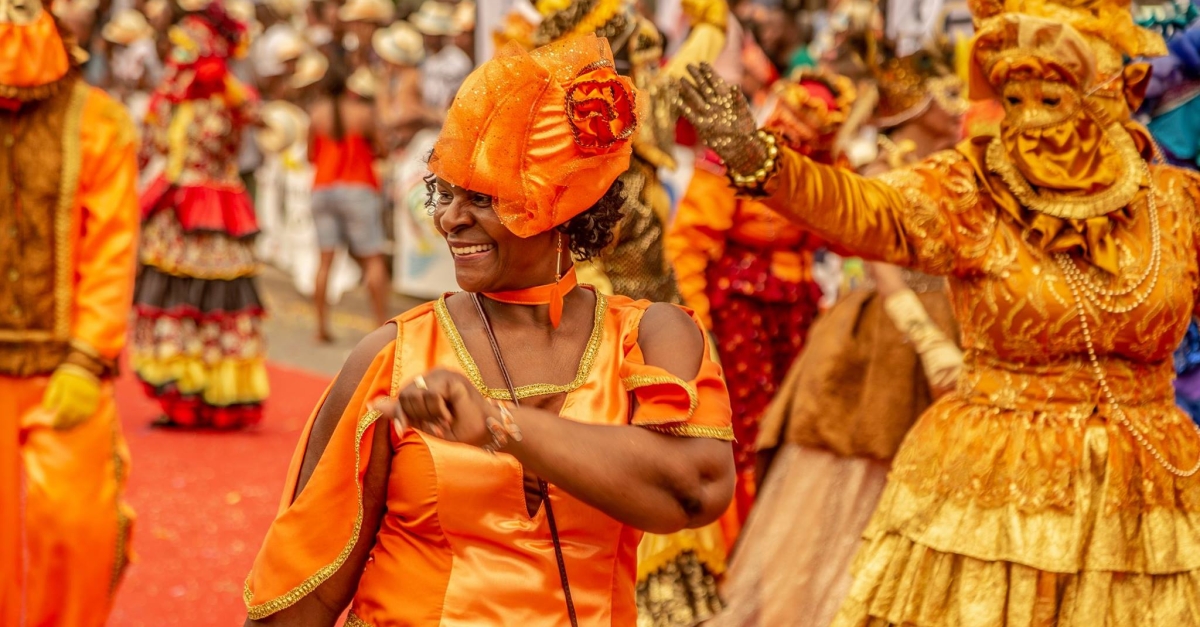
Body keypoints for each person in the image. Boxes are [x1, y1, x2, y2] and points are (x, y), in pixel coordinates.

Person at [681, 0, 1200, 622]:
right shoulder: (974, 190)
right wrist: (766, 162)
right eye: (1014, 100)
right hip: (1000, 499)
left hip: (1147, 499)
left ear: (1109, 94)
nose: (1031, 121)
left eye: (1053, 99)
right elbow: (868, 210)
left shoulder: (1173, 206)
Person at [244, 34, 735, 627]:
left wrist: (498, 425)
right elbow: (308, 585)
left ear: (560, 205)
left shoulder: (650, 338)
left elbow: (696, 490)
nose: (451, 219)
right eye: (446, 193)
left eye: (484, 198)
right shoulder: (394, 356)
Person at [704, 45, 967, 627]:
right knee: (853, 476)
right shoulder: (877, 167)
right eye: (944, 94)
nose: (958, 106)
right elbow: (881, 263)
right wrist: (926, 339)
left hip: (955, 325)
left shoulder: (964, 168)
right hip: (884, 336)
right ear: (914, 104)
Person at [0, 5, 139, 626]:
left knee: (74, 528)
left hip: (61, 365)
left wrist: (89, 356)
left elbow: (111, 247)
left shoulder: (99, 122)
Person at [666, 73, 854, 530]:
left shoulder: (826, 162)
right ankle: (743, 543)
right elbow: (688, 243)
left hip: (801, 309)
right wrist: (698, 323)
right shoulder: (731, 158)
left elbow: (846, 230)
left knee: (799, 425)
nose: (793, 141)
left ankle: (790, 535)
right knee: (745, 428)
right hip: (740, 310)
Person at [133, 1, 269, 430]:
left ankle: (218, 395)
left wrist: (223, 85)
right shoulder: (173, 100)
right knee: (176, 300)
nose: (181, 57)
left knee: (215, 304)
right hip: (177, 211)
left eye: (192, 47)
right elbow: (147, 146)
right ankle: (183, 393)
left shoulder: (226, 95)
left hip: (215, 210)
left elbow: (255, 116)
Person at [307, 61, 390, 341]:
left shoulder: (316, 115)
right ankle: (380, 326)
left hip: (323, 189)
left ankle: (320, 327)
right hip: (358, 189)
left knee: (325, 262)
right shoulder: (363, 113)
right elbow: (383, 149)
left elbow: (310, 156)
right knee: (373, 259)